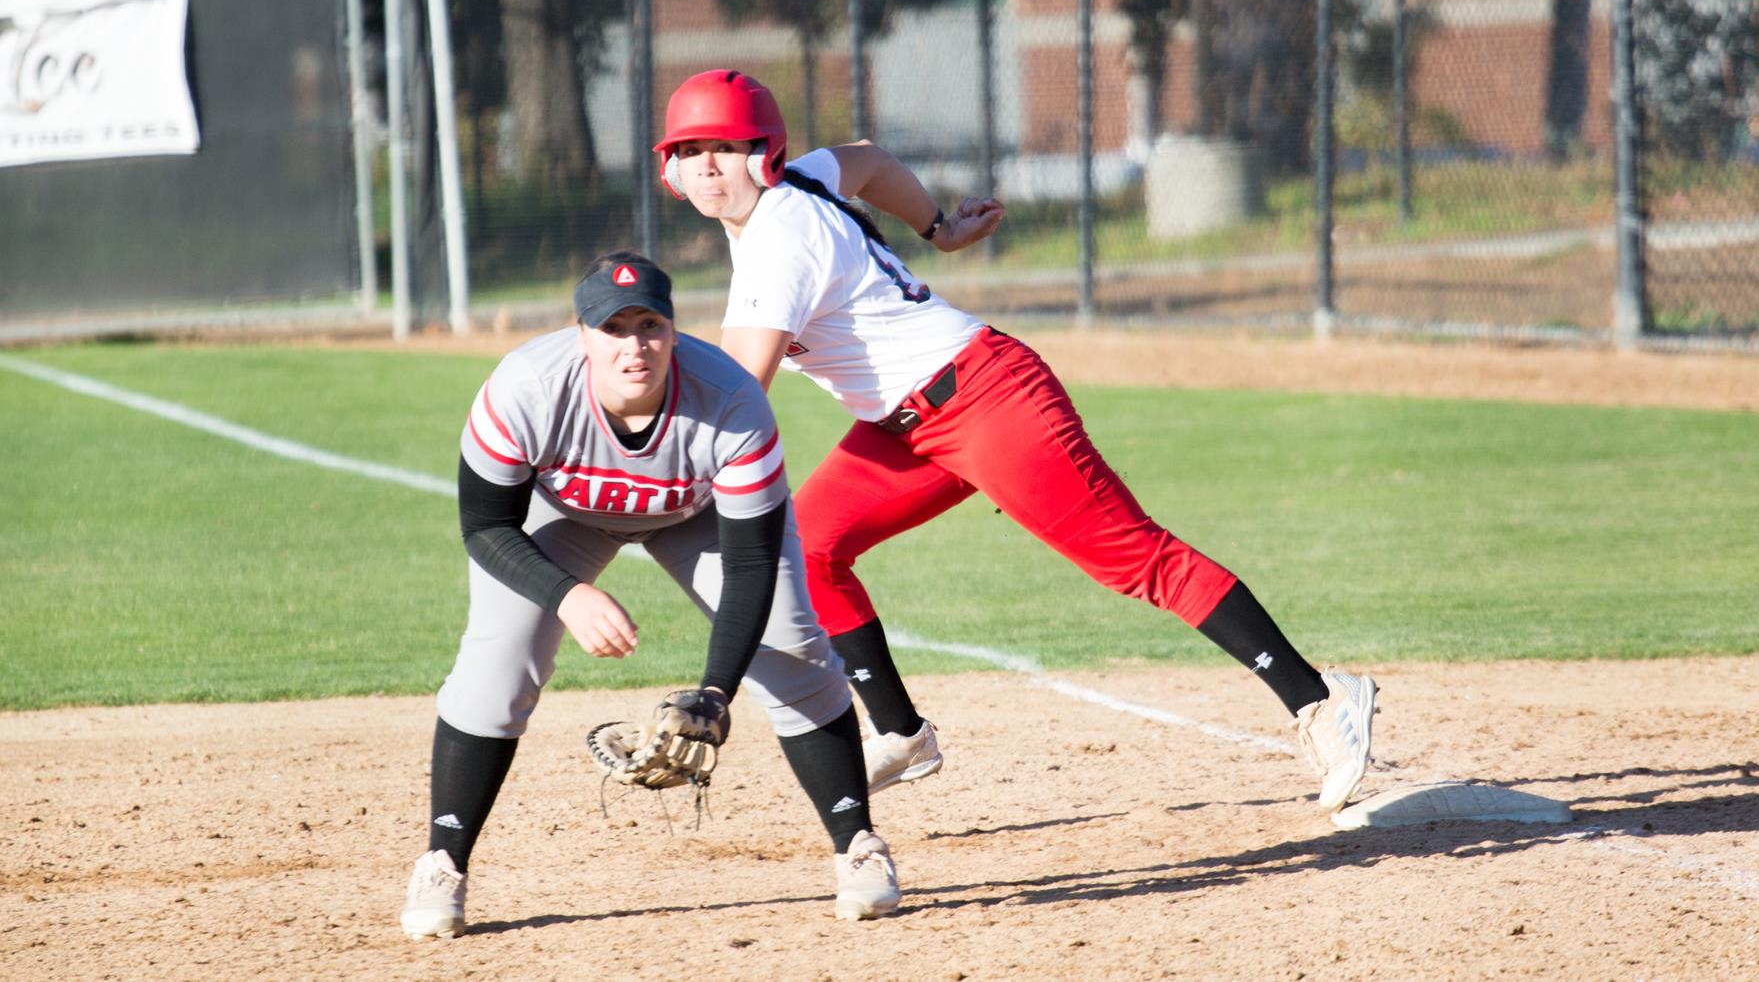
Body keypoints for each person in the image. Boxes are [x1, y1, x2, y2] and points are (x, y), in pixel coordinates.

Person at [653, 69, 1378, 812]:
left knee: (1136, 559)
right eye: (692, 148)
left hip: (987, 398)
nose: (709, 164)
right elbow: (867, 160)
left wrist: (651, 472)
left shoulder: (776, 241)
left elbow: (741, 391)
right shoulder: (797, 185)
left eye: (729, 145)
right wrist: (939, 228)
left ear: (765, 154)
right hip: (907, 426)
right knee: (810, 547)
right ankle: (902, 735)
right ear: (670, 170)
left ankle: (1322, 701)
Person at [401, 250, 902, 940]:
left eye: (650, 325)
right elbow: (485, 526)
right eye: (614, 329)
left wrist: (717, 691)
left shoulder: (729, 401)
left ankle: (859, 848)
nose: (635, 345)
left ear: (672, 329)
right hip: (563, 518)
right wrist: (567, 595)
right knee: (497, 661)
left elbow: (753, 564)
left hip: (693, 515)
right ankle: (442, 862)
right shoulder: (525, 389)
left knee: (793, 648)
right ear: (582, 337)